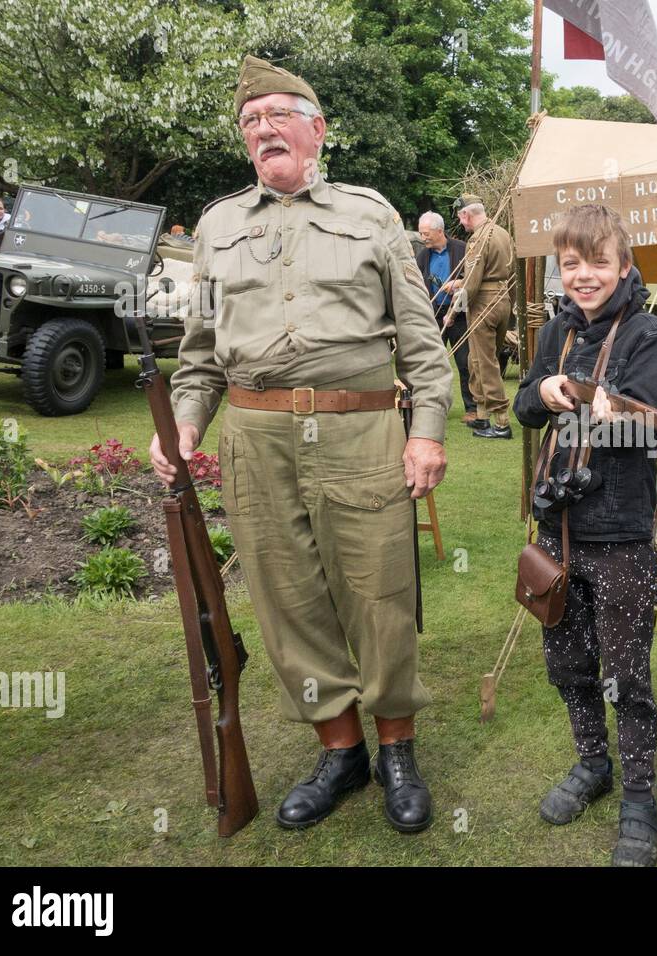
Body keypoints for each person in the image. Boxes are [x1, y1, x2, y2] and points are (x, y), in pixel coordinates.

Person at [149, 55, 453, 834]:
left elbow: (421, 344)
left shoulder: (372, 214)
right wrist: (187, 423)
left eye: (279, 115)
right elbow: (199, 351)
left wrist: (425, 434)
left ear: (316, 130)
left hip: (359, 429)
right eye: (251, 122)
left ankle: (396, 751)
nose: (263, 129)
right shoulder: (216, 226)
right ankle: (341, 749)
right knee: (286, 600)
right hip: (255, 437)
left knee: (378, 593)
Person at [513, 204, 657, 866]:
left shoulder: (649, 333)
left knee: (626, 672)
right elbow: (523, 408)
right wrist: (550, 387)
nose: (583, 276)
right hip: (557, 532)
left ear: (624, 267)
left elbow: (647, 427)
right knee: (567, 662)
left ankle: (638, 796)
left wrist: (609, 407)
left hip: (621, 534)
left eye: (597, 263)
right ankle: (592, 764)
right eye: (570, 264)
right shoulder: (554, 331)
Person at [455, 194, 515, 439]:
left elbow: (472, 281)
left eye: (461, 218)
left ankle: (501, 422)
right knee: (476, 360)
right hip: (502, 299)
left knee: (485, 362)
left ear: (466, 214)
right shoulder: (503, 233)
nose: (461, 224)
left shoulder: (478, 239)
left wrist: (455, 307)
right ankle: (481, 416)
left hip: (483, 301)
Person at [415, 212, 472, 422]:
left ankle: (472, 408)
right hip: (434, 316)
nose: (423, 238)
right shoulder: (422, 256)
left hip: (460, 315)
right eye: (421, 233)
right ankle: (432, 407)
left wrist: (458, 284)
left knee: (465, 363)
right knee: (432, 364)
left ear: (440, 231)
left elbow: (474, 276)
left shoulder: (463, 249)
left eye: (426, 233)